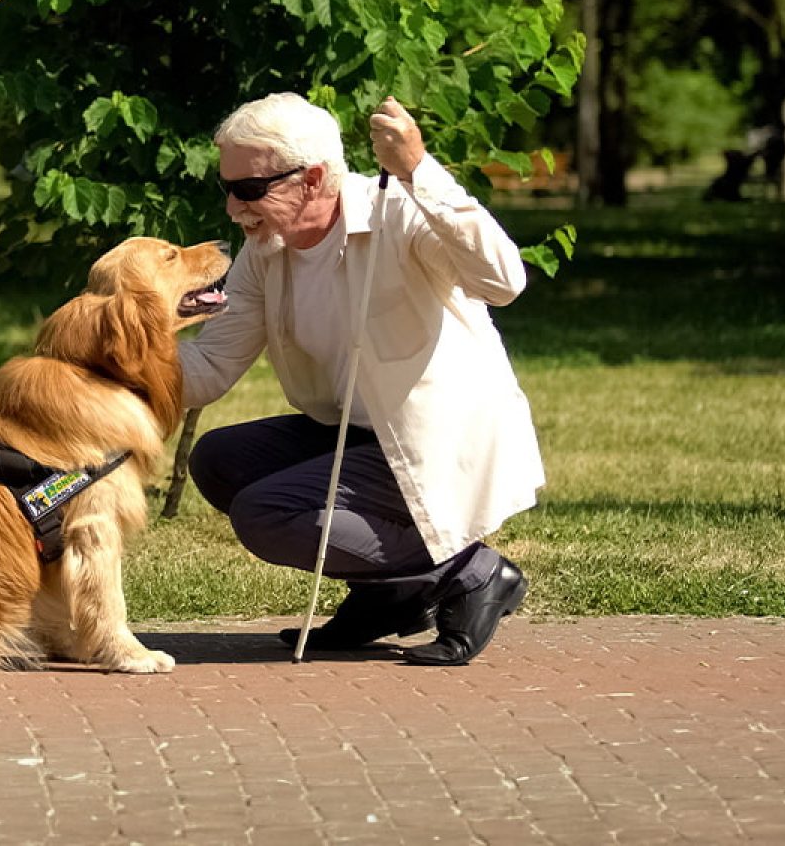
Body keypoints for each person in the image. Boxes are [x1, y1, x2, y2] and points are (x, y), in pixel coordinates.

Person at [178, 92, 544, 665]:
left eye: (249, 190)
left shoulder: (400, 213)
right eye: (226, 188)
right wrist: (103, 366)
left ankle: (470, 572)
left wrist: (419, 170)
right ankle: (392, 592)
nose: (232, 209)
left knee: (266, 514)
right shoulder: (264, 252)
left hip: (435, 439)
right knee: (219, 460)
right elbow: (209, 366)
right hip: (354, 430)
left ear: (313, 178)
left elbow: (504, 281)